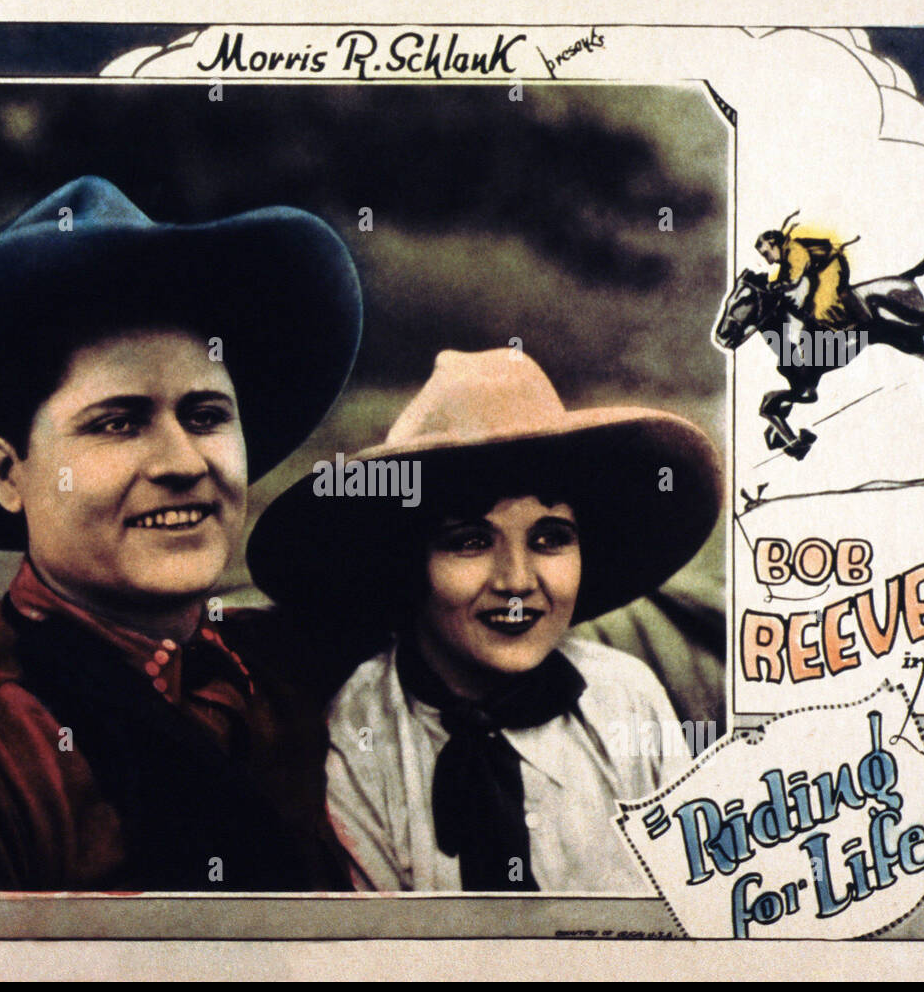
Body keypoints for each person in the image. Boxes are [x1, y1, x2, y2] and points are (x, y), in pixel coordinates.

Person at [0, 176, 363, 892]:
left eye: (207, 416)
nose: (183, 463)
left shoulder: (284, 675)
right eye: (117, 423)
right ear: (9, 474)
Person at [247, 349, 723, 892]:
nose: (517, 580)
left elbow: (690, 901)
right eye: (470, 542)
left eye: (550, 539)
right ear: (411, 563)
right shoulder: (362, 730)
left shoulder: (626, 697)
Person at [755, 224, 855, 331]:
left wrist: (776, 286)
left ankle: (848, 327)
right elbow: (784, 279)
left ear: (774, 245)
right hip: (816, 270)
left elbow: (793, 280)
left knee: (820, 308)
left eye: (767, 254)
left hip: (831, 264)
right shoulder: (784, 255)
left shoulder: (794, 251)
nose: (769, 261)